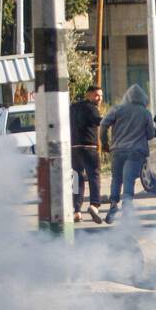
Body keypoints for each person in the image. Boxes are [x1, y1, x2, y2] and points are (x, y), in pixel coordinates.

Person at [101, 83, 156, 224]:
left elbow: (103, 124)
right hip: (136, 151)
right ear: (143, 98)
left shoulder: (117, 109)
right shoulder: (145, 113)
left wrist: (104, 142)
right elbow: (151, 135)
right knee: (128, 179)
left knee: (116, 178)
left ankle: (113, 204)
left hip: (117, 150)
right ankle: (127, 207)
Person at [70, 85, 104, 224]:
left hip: (74, 148)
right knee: (94, 176)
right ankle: (94, 205)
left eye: (101, 96)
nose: (99, 98)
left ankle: (77, 211)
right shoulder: (91, 108)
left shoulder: (72, 108)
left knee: (77, 179)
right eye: (97, 95)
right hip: (89, 147)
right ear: (88, 95)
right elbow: (100, 121)